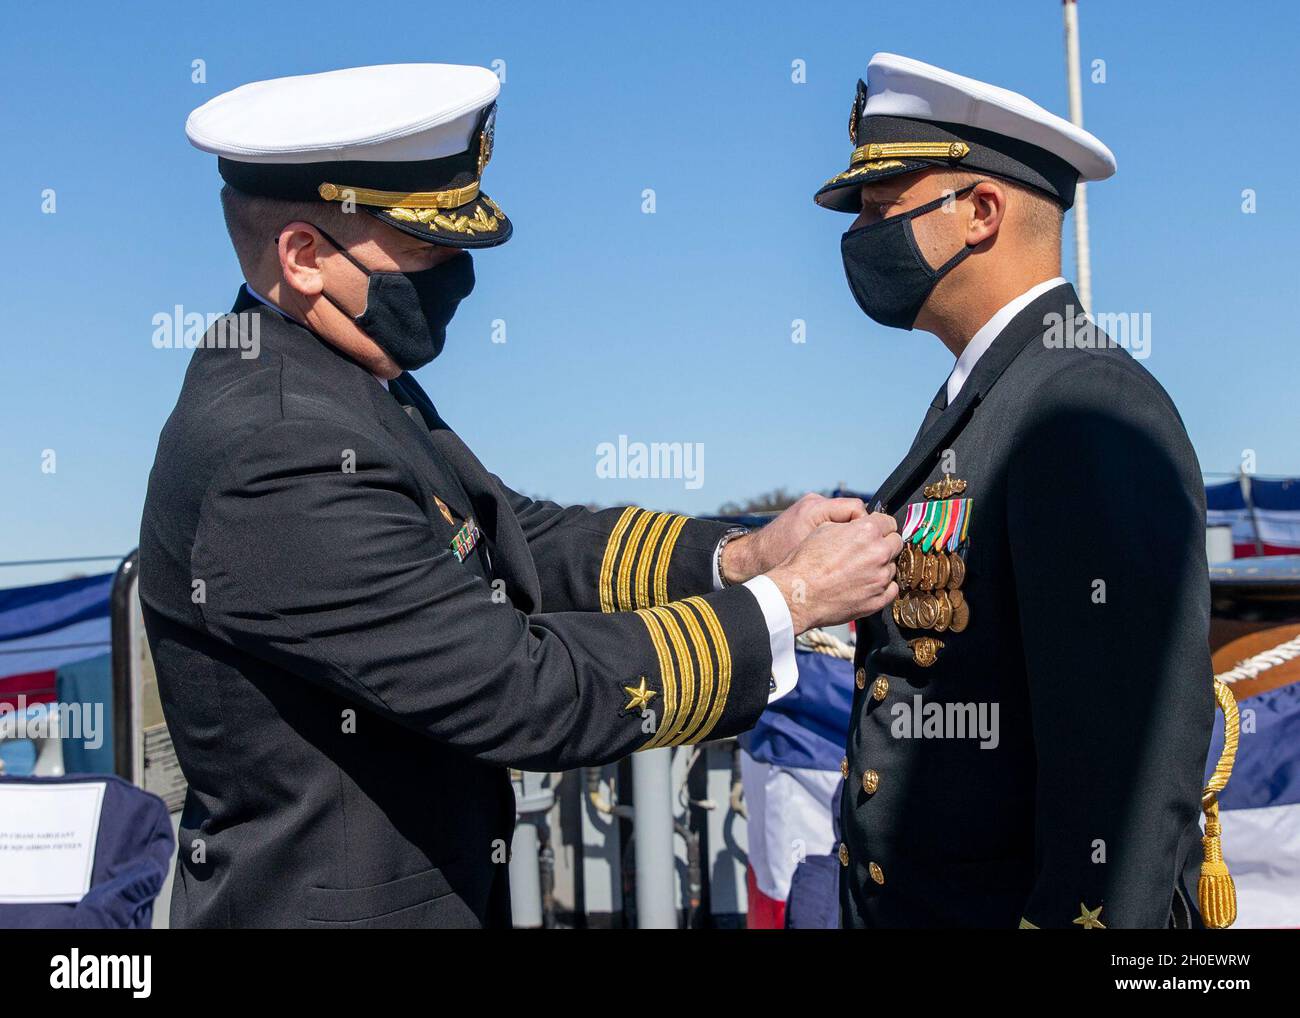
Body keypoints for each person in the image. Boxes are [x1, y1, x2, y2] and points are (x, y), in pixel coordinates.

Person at [139, 63, 901, 928]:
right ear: (305, 258)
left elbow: (515, 539)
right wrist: (788, 603)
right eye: (425, 247)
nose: (455, 275)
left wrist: (740, 556)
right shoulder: (277, 448)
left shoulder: (337, 380)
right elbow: (520, 690)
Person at [818, 54, 1214, 928]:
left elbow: (1127, 760)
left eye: (881, 208)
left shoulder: (1082, 403)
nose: (859, 234)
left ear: (981, 213)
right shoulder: (998, 393)